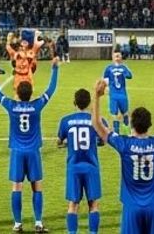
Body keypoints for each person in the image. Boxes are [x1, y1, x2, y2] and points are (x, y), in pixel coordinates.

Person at [91, 76, 154, 234]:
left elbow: (97, 124)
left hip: (131, 207)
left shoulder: (124, 144)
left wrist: (96, 95)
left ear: (131, 125)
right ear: (150, 125)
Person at [0, 54, 61, 233]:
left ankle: (18, 224)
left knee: (17, 187)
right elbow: (51, 89)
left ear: (18, 93)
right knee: (37, 186)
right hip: (33, 151)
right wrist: (55, 68)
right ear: (31, 93)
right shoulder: (37, 105)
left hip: (17, 152)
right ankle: (38, 223)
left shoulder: (11, 106)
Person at [56, 88, 102, 234]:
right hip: (91, 167)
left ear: (74, 103)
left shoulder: (65, 121)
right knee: (93, 204)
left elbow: (59, 142)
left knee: (73, 204)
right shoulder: (96, 121)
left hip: (73, 167)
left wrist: (66, 144)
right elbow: (103, 140)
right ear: (89, 103)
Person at [103, 50, 134, 135]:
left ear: (121, 57)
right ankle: (117, 134)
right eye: (115, 56)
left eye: (118, 56)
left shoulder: (124, 67)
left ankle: (128, 132)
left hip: (123, 95)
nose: (117, 57)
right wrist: (106, 89)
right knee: (114, 115)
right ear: (112, 57)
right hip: (113, 95)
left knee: (126, 114)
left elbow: (130, 76)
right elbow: (105, 80)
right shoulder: (108, 68)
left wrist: (124, 70)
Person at [6, 29, 45, 95]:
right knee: (26, 95)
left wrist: (8, 40)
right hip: (27, 77)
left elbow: (9, 48)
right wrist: (36, 36)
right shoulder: (30, 53)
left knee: (18, 94)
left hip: (22, 77)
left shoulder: (18, 55)